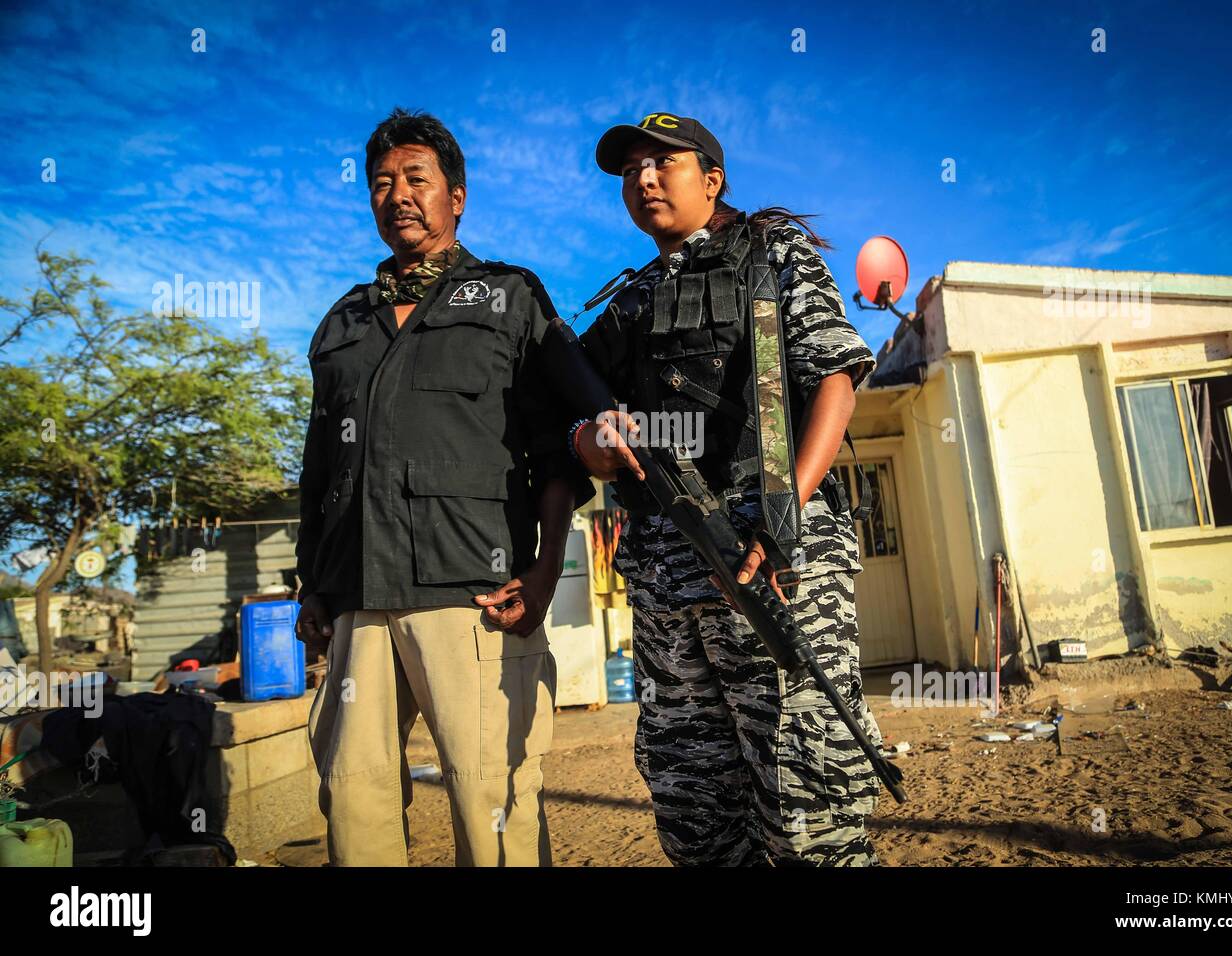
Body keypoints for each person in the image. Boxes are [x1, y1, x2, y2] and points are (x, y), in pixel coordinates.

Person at [571, 112, 884, 866]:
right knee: (693, 796)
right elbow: (572, 423)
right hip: (663, 570)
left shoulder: (772, 253)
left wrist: (787, 513)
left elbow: (835, 381)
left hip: (769, 555)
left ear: (712, 180)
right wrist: (593, 444)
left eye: (662, 164)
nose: (643, 179)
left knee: (805, 787)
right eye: (629, 171)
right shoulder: (628, 304)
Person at [294, 107, 592, 867]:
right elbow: (320, 470)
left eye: (416, 179)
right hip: (357, 598)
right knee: (354, 804)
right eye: (382, 183)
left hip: (473, 596)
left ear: (456, 196)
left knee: (491, 799)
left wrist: (547, 566)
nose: (398, 194)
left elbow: (555, 453)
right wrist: (312, 586)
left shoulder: (508, 299)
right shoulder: (340, 324)